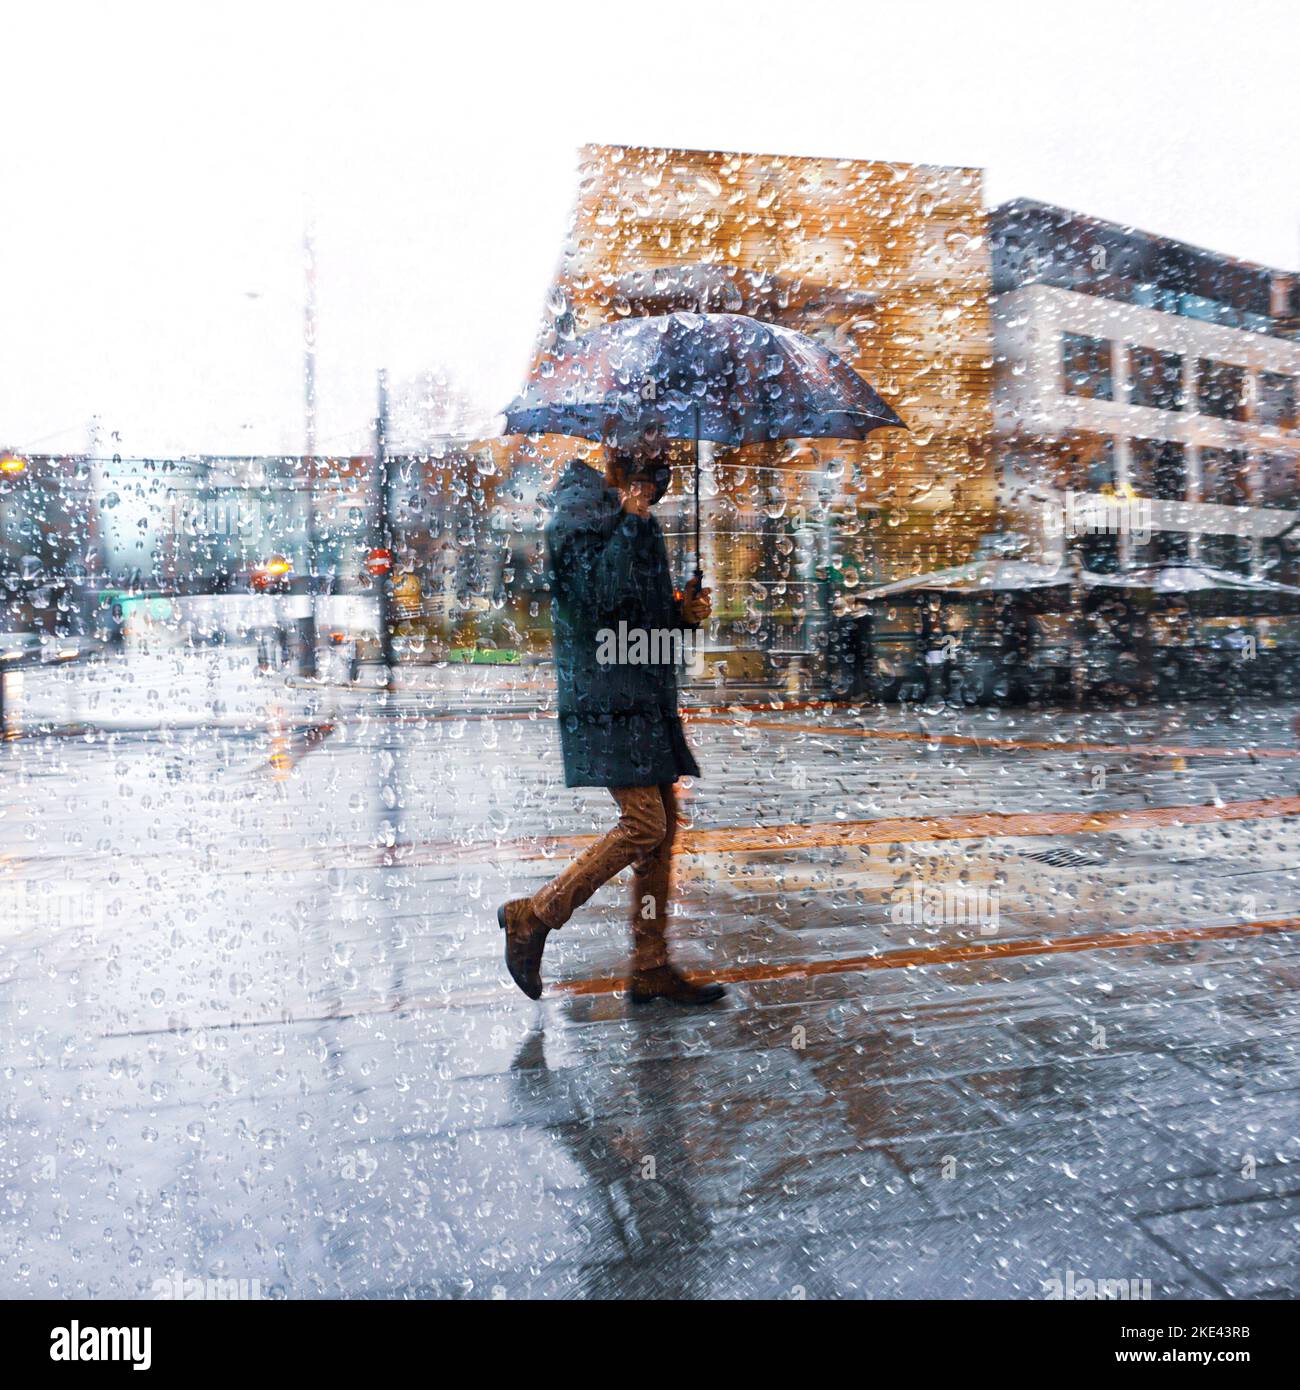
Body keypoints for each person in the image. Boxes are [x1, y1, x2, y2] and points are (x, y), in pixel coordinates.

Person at [496, 446, 726, 1006]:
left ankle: (650, 963)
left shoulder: (630, 515)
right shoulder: (577, 512)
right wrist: (631, 519)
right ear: (618, 453)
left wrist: (679, 612)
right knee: (644, 824)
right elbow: (594, 596)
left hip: (644, 693)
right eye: (652, 452)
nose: (663, 466)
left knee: (662, 831)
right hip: (605, 693)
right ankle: (536, 913)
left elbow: (635, 608)